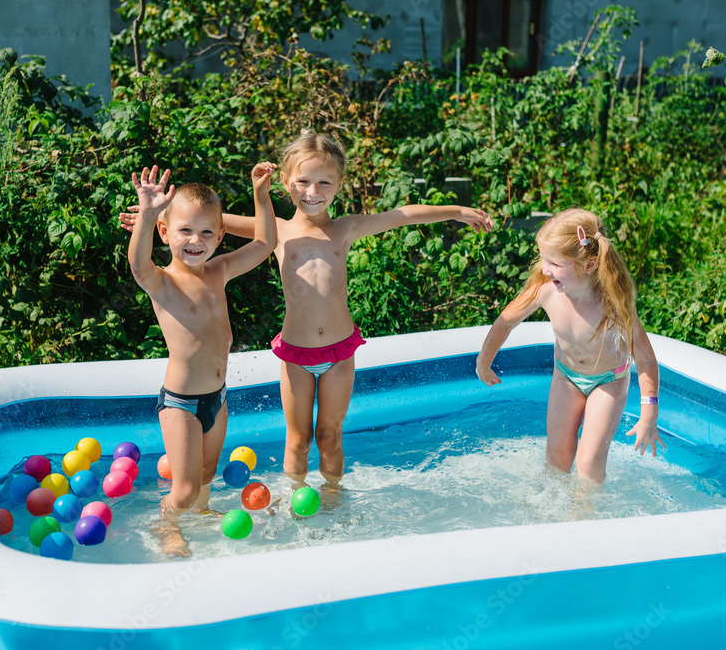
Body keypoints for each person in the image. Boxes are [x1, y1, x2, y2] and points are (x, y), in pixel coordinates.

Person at [122, 133, 494, 490]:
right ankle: (293, 504)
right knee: (298, 439)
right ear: (285, 181)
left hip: (339, 352)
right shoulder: (278, 231)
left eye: (324, 183)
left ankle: (334, 500)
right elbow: (207, 220)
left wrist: (456, 211)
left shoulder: (346, 229)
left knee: (330, 436)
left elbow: (403, 215)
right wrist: (150, 220)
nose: (312, 192)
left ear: (339, 183)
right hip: (296, 355)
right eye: (303, 181)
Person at [128, 162, 276, 556]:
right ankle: (167, 524)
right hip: (180, 403)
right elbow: (138, 265)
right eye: (185, 230)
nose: (196, 240)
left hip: (218, 397)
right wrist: (146, 213)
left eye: (207, 232)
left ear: (221, 236)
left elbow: (264, 244)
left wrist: (260, 195)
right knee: (185, 488)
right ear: (165, 232)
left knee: (206, 477)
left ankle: (202, 512)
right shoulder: (162, 281)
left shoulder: (219, 271)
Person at [475, 208, 662, 485]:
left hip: (608, 381)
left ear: (589, 265)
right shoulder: (546, 290)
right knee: (557, 458)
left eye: (553, 262)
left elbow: (645, 360)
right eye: (542, 258)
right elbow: (505, 322)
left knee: (588, 464)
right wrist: (483, 361)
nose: (544, 269)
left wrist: (649, 414)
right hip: (567, 376)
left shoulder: (614, 302)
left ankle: (584, 518)